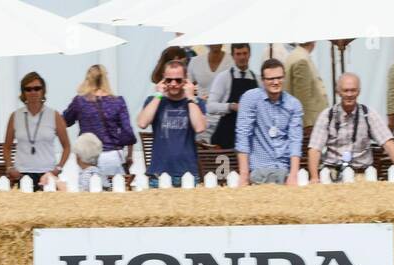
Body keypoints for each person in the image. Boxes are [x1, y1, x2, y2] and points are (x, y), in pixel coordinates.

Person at [308, 72, 394, 181]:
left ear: (359, 91)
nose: (349, 94)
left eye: (353, 90)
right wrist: (314, 178)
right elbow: (315, 149)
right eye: (345, 90)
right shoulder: (327, 116)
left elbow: (388, 143)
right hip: (332, 174)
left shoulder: (368, 114)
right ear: (338, 92)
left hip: (362, 174)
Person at [137, 59, 207, 187]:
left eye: (178, 80)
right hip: (158, 172)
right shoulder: (154, 100)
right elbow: (142, 123)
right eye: (169, 80)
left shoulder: (195, 103)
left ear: (186, 80)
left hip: (187, 172)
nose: (173, 83)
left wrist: (190, 97)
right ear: (163, 80)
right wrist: (158, 94)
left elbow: (200, 127)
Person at [236, 59, 303, 186]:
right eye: (271, 79)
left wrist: (294, 175)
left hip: (284, 170)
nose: (276, 82)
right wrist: (244, 174)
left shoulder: (293, 104)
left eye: (279, 78)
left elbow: (295, 140)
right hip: (258, 170)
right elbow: (243, 135)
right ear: (262, 80)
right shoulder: (251, 99)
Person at [61, 64, 135, 178]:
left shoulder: (80, 101)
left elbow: (64, 121)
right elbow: (128, 132)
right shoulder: (118, 101)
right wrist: (129, 156)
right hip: (113, 156)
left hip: (87, 157)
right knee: (115, 191)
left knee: (90, 193)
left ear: (87, 79)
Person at [3, 71, 70, 188]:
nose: (33, 92)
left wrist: (58, 169)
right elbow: (6, 146)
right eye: (28, 89)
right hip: (21, 174)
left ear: (43, 91)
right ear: (23, 93)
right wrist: (9, 167)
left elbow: (67, 146)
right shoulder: (15, 116)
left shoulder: (54, 115)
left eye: (37, 88)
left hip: (47, 174)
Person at [207, 43, 260, 150]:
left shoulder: (258, 79)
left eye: (245, 53)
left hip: (249, 136)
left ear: (249, 55)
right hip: (226, 136)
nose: (242, 57)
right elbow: (210, 106)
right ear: (233, 56)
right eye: (238, 54)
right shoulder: (223, 77)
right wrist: (231, 106)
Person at [286, 42, 328, 131]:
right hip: (308, 125)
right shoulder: (301, 60)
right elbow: (302, 98)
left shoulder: (296, 56)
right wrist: (307, 125)